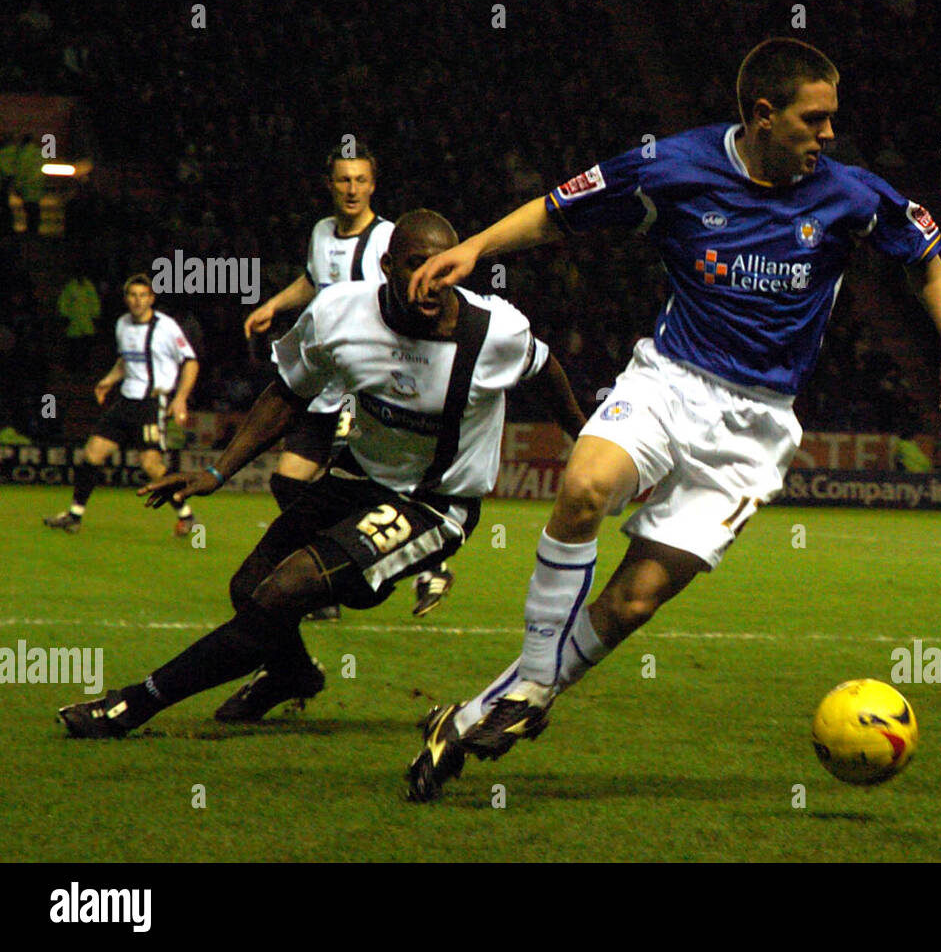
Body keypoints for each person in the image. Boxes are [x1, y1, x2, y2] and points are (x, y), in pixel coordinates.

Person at [402, 38, 941, 801]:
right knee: (585, 487)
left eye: (831, 122)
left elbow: (921, 248)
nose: (828, 136)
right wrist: (478, 246)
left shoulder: (849, 194)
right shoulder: (673, 167)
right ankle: (533, 679)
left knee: (633, 601)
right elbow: (560, 210)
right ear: (763, 114)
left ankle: (490, 707)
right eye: (814, 121)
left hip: (757, 428)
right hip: (669, 382)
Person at [56, 210, 586, 738]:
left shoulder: (494, 331)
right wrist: (217, 471)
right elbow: (288, 393)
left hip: (433, 505)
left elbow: (547, 371)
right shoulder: (338, 313)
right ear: (386, 266)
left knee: (288, 588)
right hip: (356, 479)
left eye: (442, 267)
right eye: (414, 264)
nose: (431, 279)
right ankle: (292, 674)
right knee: (249, 588)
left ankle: (134, 704)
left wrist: (584, 443)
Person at [243, 144, 446, 620]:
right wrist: (274, 305)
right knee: (288, 480)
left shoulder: (390, 238)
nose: (352, 189)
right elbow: (315, 282)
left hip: (366, 385)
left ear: (374, 184)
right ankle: (331, 582)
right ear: (329, 184)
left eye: (360, 180)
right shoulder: (320, 232)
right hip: (324, 383)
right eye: (343, 180)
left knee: (369, 485)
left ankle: (417, 566)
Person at [44, 274, 199, 537]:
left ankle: (187, 516)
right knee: (92, 453)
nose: (138, 301)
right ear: (127, 299)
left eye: (143, 295)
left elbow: (191, 361)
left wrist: (181, 397)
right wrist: (108, 381)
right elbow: (126, 362)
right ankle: (74, 516)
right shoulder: (122, 325)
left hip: (152, 403)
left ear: (151, 298)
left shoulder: (166, 327)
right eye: (133, 295)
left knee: (151, 465)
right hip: (125, 401)